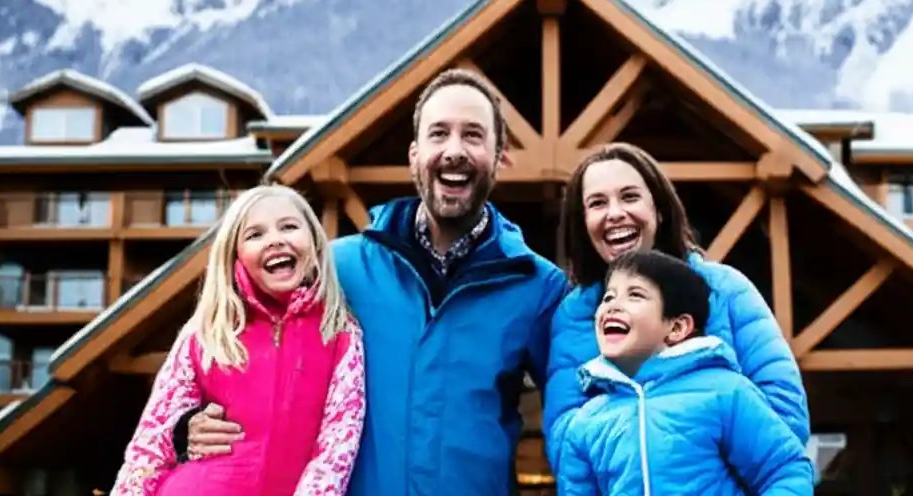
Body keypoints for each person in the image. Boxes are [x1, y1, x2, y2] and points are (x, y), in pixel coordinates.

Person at [174, 68, 569, 495]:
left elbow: (582, 408)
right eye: (439, 134)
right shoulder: (337, 269)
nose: (454, 150)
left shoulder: (538, 287)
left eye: (473, 135)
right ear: (414, 154)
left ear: (499, 156)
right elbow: (239, 335)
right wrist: (186, 424)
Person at [543, 142, 810, 472]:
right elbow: (564, 436)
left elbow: (785, 413)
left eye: (629, 197)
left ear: (659, 210)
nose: (614, 213)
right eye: (597, 203)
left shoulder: (726, 289)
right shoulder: (575, 316)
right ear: (582, 224)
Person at [109, 184, 365, 496]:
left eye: (289, 226)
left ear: (314, 244)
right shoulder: (208, 331)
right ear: (236, 256)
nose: (275, 239)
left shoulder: (338, 331)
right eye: (255, 235)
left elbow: (338, 443)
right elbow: (150, 445)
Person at [555, 249, 813, 496]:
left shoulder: (725, 391)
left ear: (677, 327)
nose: (612, 306)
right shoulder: (586, 422)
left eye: (635, 295)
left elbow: (785, 470)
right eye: (609, 297)